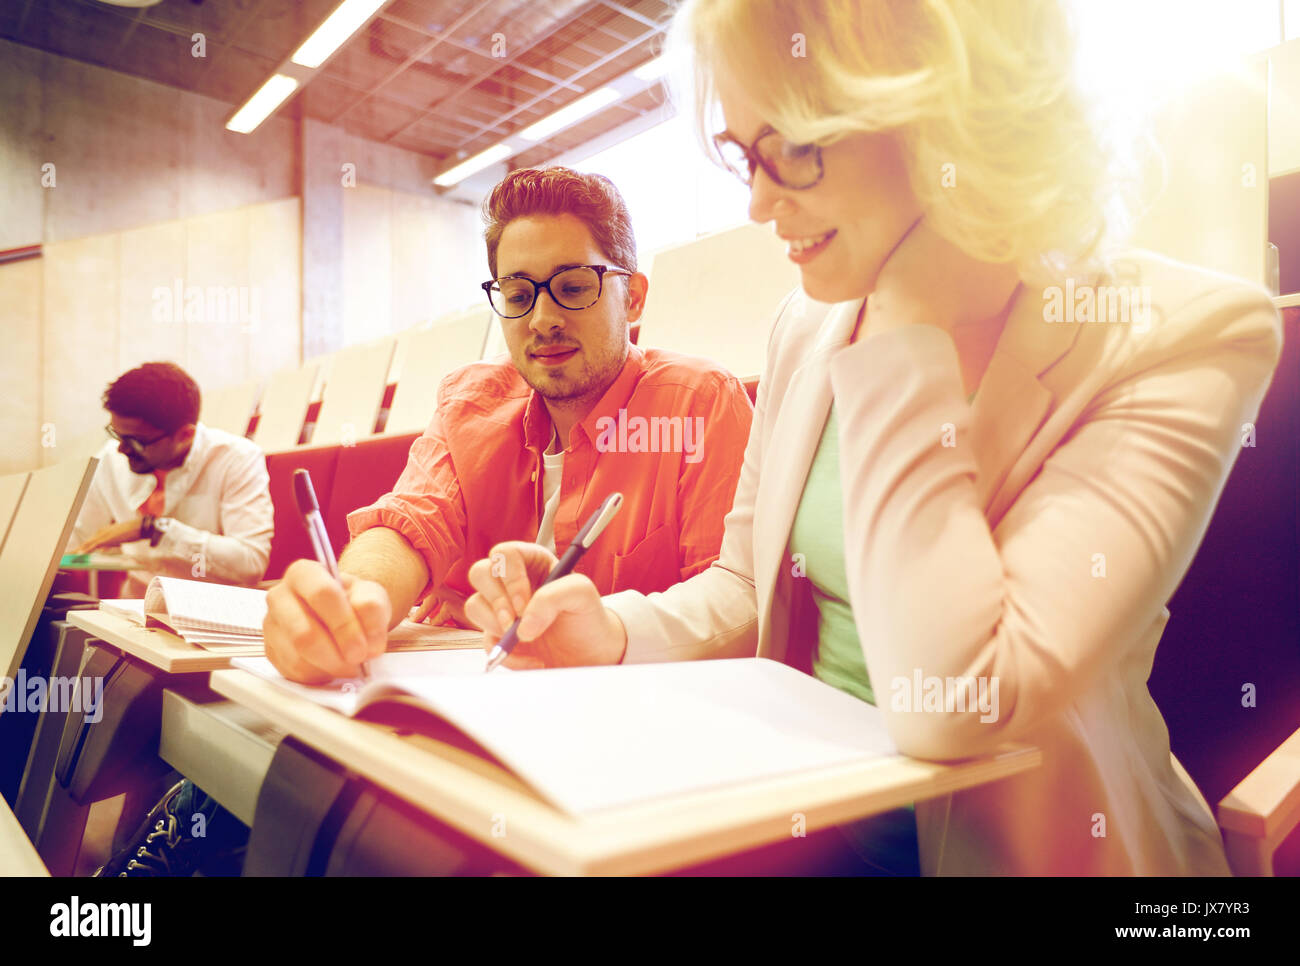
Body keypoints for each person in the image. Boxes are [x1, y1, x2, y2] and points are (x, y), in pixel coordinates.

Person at [462, 0, 1282, 875]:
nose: (757, 201)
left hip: (1022, 847)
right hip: (799, 811)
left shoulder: (1186, 336)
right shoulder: (807, 324)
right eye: (744, 155)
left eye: (796, 149)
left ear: (948, 113)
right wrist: (615, 634)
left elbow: (959, 704)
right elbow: (748, 583)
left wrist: (908, 318)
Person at [264, 165, 754, 681]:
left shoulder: (700, 404)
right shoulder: (468, 403)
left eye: (572, 286)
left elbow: (738, 604)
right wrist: (357, 598)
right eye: (519, 296)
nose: (542, 318)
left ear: (632, 299)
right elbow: (410, 525)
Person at [69, 361, 273, 596]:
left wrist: (156, 530)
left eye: (136, 441)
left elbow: (251, 562)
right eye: (117, 435)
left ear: (186, 434)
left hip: (210, 612)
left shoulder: (237, 458)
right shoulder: (110, 458)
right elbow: (76, 543)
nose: (121, 449)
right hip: (133, 609)